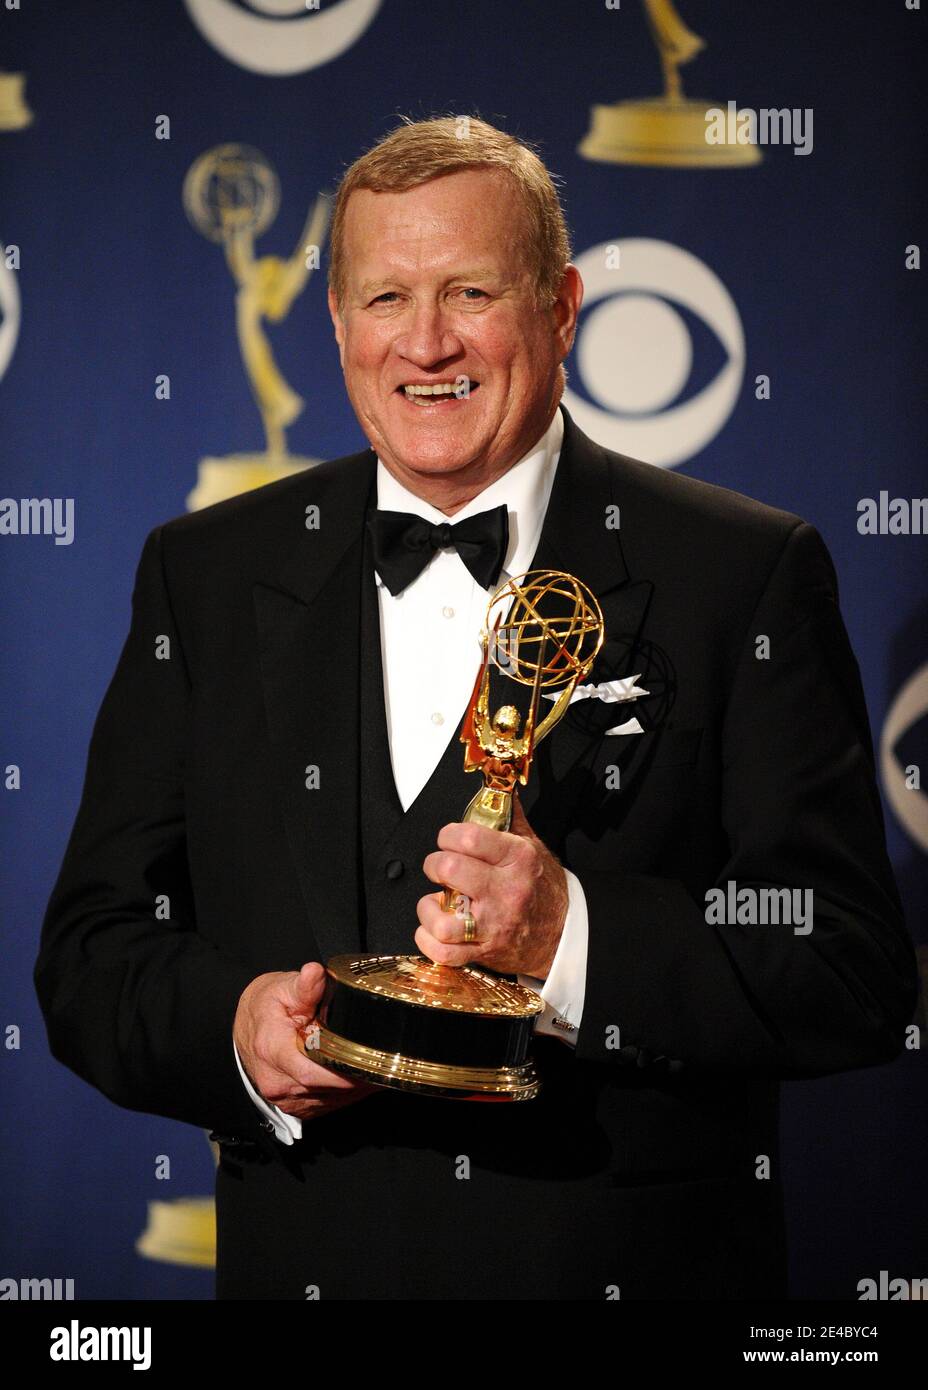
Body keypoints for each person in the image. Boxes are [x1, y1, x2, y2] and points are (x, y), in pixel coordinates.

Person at [36, 116, 916, 1301]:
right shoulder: (205, 575)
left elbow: (850, 966)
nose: (427, 341)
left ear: (560, 309)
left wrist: (575, 939)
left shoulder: (740, 575)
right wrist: (237, 1031)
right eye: (386, 297)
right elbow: (92, 956)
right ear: (337, 322)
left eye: (470, 291)